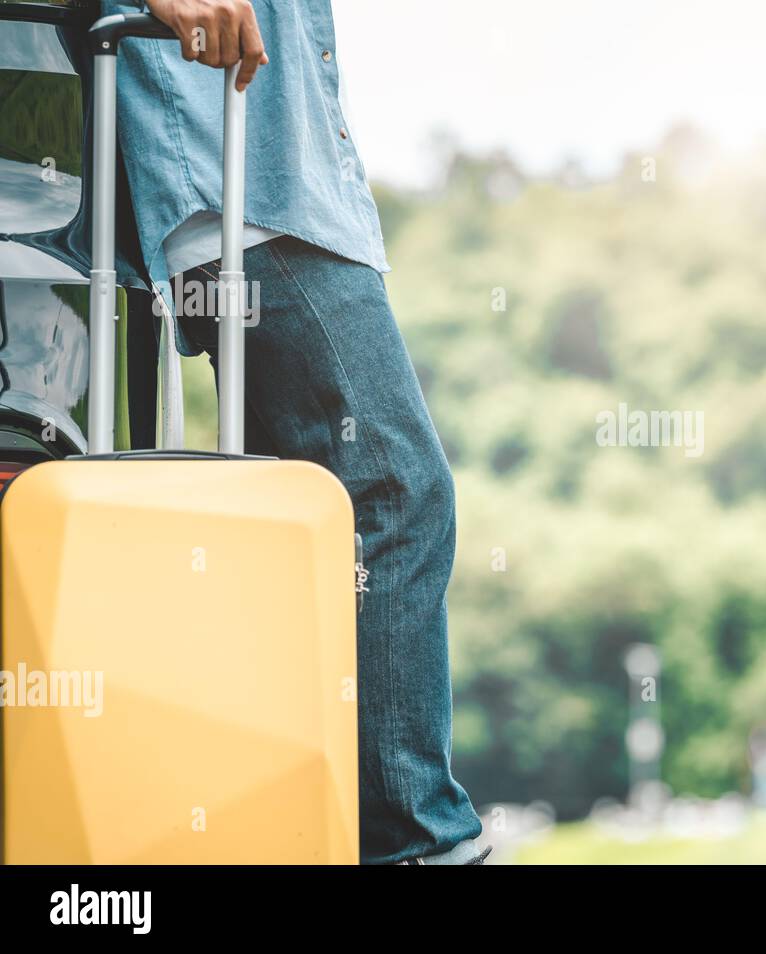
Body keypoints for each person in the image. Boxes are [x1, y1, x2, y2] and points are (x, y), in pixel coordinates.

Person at [105, 0, 487, 865]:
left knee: (302, 542)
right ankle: (416, 844)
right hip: (243, 193)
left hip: (284, 189)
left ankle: (311, 824)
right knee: (394, 492)